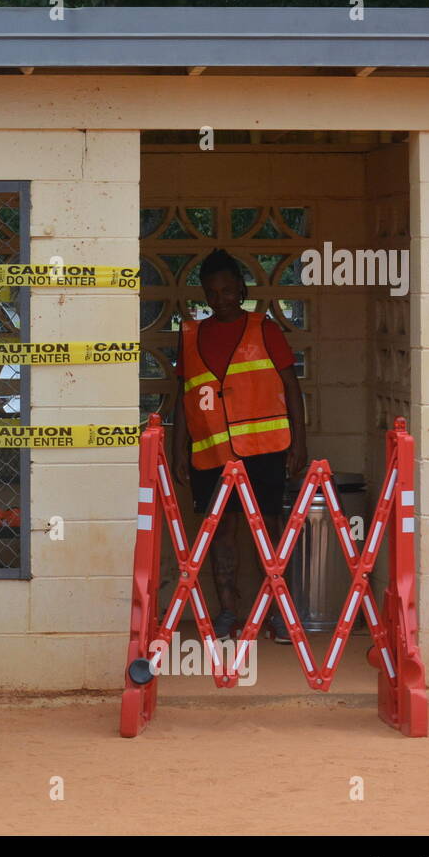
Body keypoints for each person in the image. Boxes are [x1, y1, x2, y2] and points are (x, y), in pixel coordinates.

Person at [170, 249, 309, 643]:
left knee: (270, 530)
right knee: (221, 532)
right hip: (212, 453)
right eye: (213, 293)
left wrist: (300, 442)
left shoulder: (265, 329)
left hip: (265, 449)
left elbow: (291, 386)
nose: (222, 299)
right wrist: (179, 449)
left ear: (242, 290)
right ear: (204, 294)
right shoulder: (191, 334)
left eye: (229, 290)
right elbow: (184, 396)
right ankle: (228, 612)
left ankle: (279, 613)